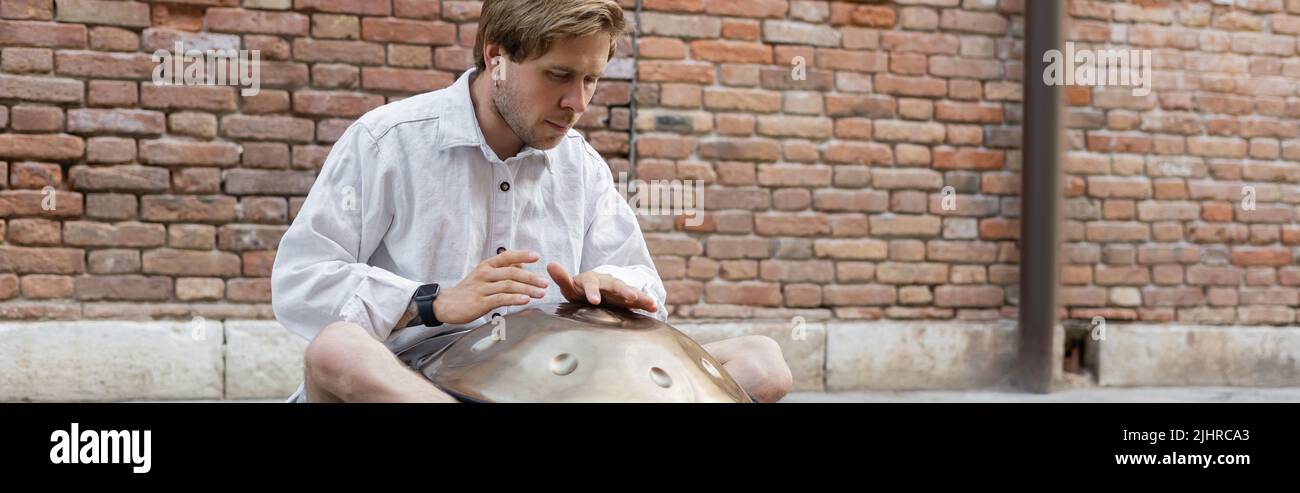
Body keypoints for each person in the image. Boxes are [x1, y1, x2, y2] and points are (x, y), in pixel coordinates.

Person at [270, 0, 792, 403]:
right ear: (496, 58)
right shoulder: (389, 140)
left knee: (761, 360)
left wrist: (618, 291)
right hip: (410, 384)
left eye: (591, 79)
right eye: (559, 76)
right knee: (337, 348)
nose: (578, 104)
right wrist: (431, 302)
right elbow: (302, 282)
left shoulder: (581, 165)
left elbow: (644, 281)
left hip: (539, 382)